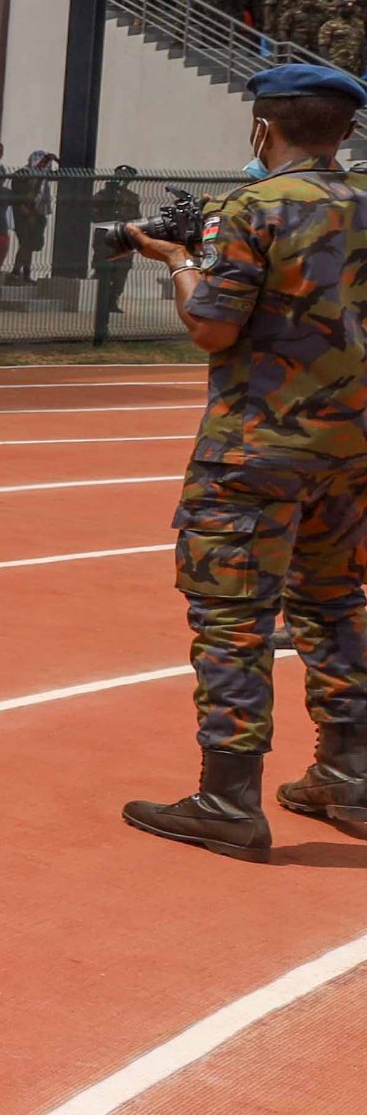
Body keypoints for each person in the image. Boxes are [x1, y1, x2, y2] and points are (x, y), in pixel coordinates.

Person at [117, 61, 367, 859]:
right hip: (352, 445)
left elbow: (213, 326)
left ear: (264, 127)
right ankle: (350, 776)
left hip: (257, 448)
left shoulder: (252, 207)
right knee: (335, 601)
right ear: (347, 130)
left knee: (232, 613)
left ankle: (228, 800)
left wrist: (178, 261)